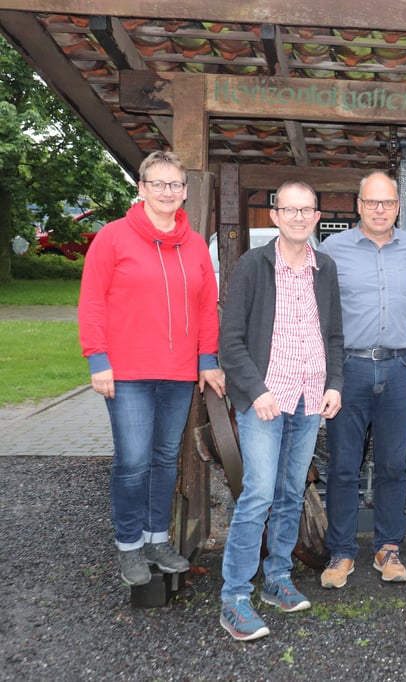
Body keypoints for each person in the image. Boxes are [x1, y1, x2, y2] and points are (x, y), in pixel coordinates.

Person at [79, 150, 224, 587]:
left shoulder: (195, 244)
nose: (167, 192)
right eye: (158, 184)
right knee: (133, 461)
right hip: (126, 374)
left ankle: (157, 538)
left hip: (178, 374)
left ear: (185, 191)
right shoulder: (113, 238)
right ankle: (129, 547)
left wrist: (207, 360)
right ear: (141, 188)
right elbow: (92, 302)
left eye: (175, 184)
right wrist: (98, 359)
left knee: (164, 460)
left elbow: (206, 307)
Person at [217, 181, 344, 641]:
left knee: (292, 491)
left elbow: (333, 337)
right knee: (258, 496)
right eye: (288, 210)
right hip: (265, 402)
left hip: (310, 398)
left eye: (305, 210)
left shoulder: (324, 268)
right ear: (273, 216)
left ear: (316, 216)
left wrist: (334, 384)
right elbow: (229, 342)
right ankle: (234, 597)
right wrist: (255, 390)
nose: (297, 217)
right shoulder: (253, 266)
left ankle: (277, 580)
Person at [318, 172, 406, 588]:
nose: (379, 210)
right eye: (372, 202)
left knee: (393, 464)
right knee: (344, 466)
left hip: (399, 369)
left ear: (398, 207)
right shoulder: (333, 250)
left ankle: (388, 547)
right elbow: (323, 313)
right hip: (349, 369)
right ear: (358, 205)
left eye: (387, 203)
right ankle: (342, 551)